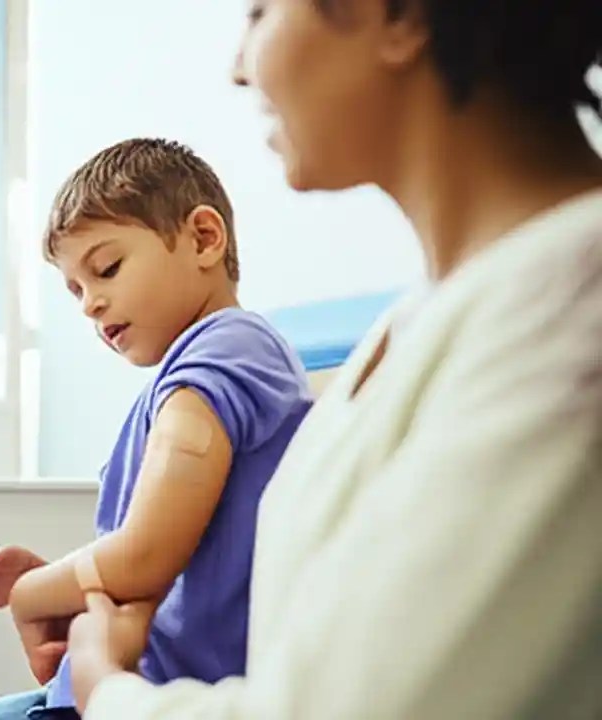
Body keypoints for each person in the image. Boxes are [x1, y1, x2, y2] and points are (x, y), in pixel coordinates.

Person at [67, 1, 602, 718]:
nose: (237, 68)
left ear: (403, 17)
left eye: (261, 12)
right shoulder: (426, 321)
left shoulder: (569, 319)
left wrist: (106, 684)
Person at [0, 138, 314, 719]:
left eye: (106, 269)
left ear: (204, 238)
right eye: (75, 289)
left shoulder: (225, 353)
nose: (90, 304)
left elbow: (145, 556)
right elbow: (165, 563)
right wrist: (47, 578)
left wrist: (30, 596)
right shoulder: (201, 372)